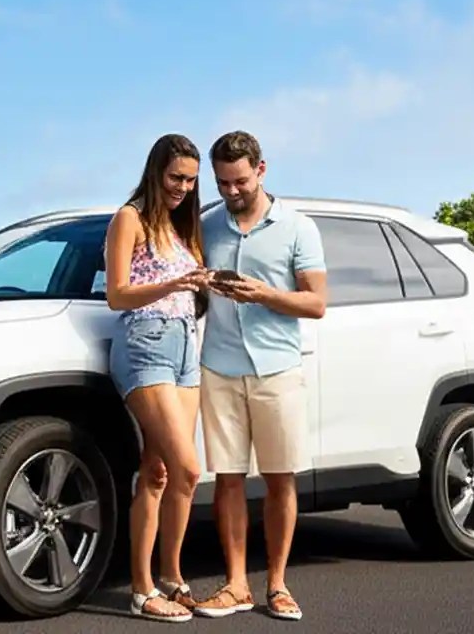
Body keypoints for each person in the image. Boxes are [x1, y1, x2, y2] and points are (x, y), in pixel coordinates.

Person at [192, 131, 327, 621]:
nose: (231, 191)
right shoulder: (206, 227)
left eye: (241, 181)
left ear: (262, 170)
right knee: (227, 479)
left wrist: (262, 294)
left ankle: (277, 585)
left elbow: (316, 303)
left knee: (278, 480)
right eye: (223, 182)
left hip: (277, 369)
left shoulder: (297, 229)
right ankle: (234, 585)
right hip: (220, 368)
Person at [104, 133, 211, 623]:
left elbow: (190, 289)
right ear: (155, 171)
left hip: (187, 346)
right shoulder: (131, 218)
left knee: (160, 472)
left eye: (190, 180)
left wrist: (208, 281)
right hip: (146, 344)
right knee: (188, 468)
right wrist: (172, 282)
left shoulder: (181, 224)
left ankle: (170, 578)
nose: (183, 188)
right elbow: (117, 294)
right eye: (175, 178)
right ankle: (141, 589)